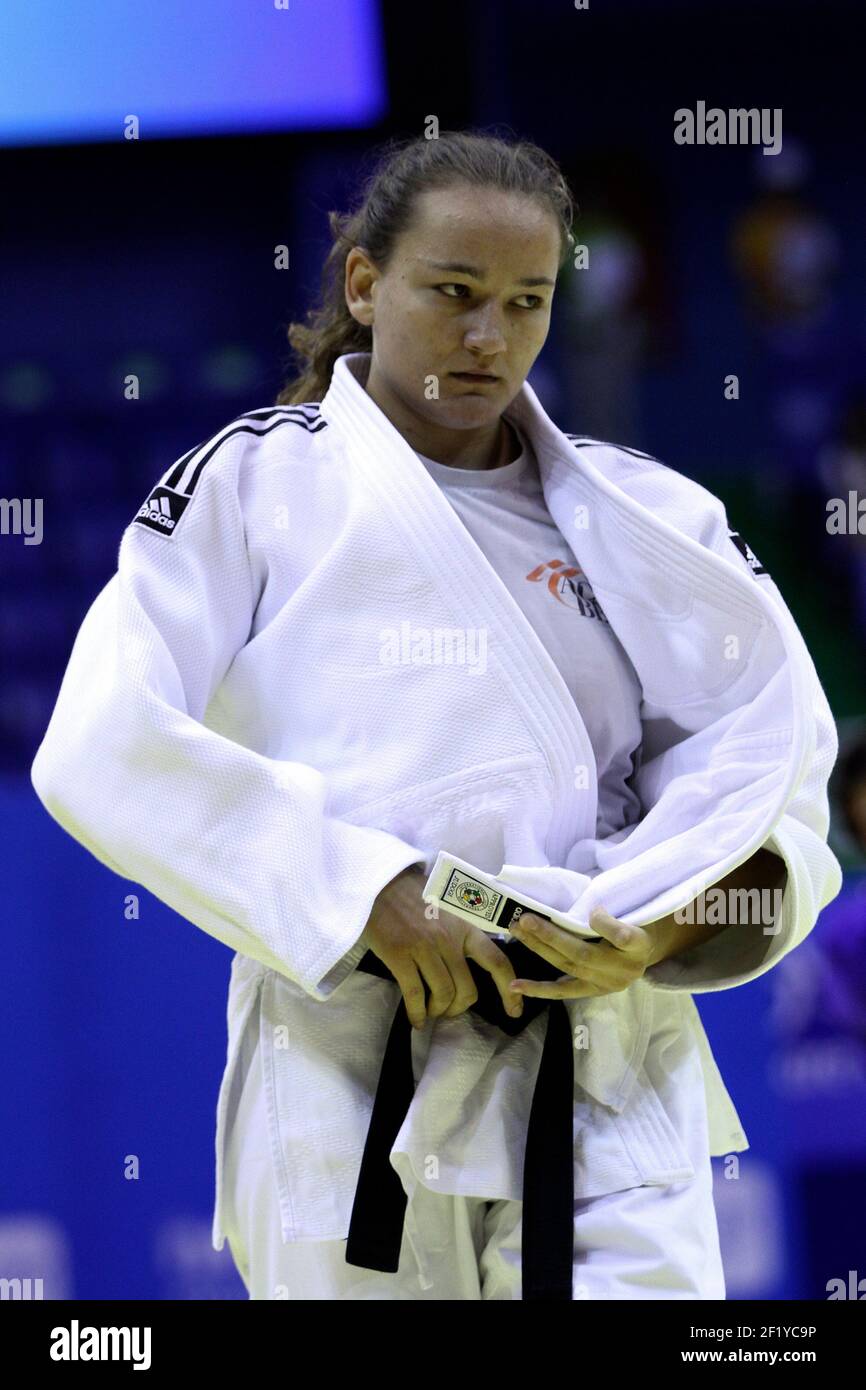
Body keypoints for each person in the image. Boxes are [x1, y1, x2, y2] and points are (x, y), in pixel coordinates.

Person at [30, 129, 842, 1300]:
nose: (487, 338)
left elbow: (778, 793)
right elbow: (101, 740)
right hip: (351, 1066)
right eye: (453, 293)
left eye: (525, 303)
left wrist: (659, 924)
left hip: (607, 1069)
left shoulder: (650, 514)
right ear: (363, 282)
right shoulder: (257, 486)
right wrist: (362, 889)